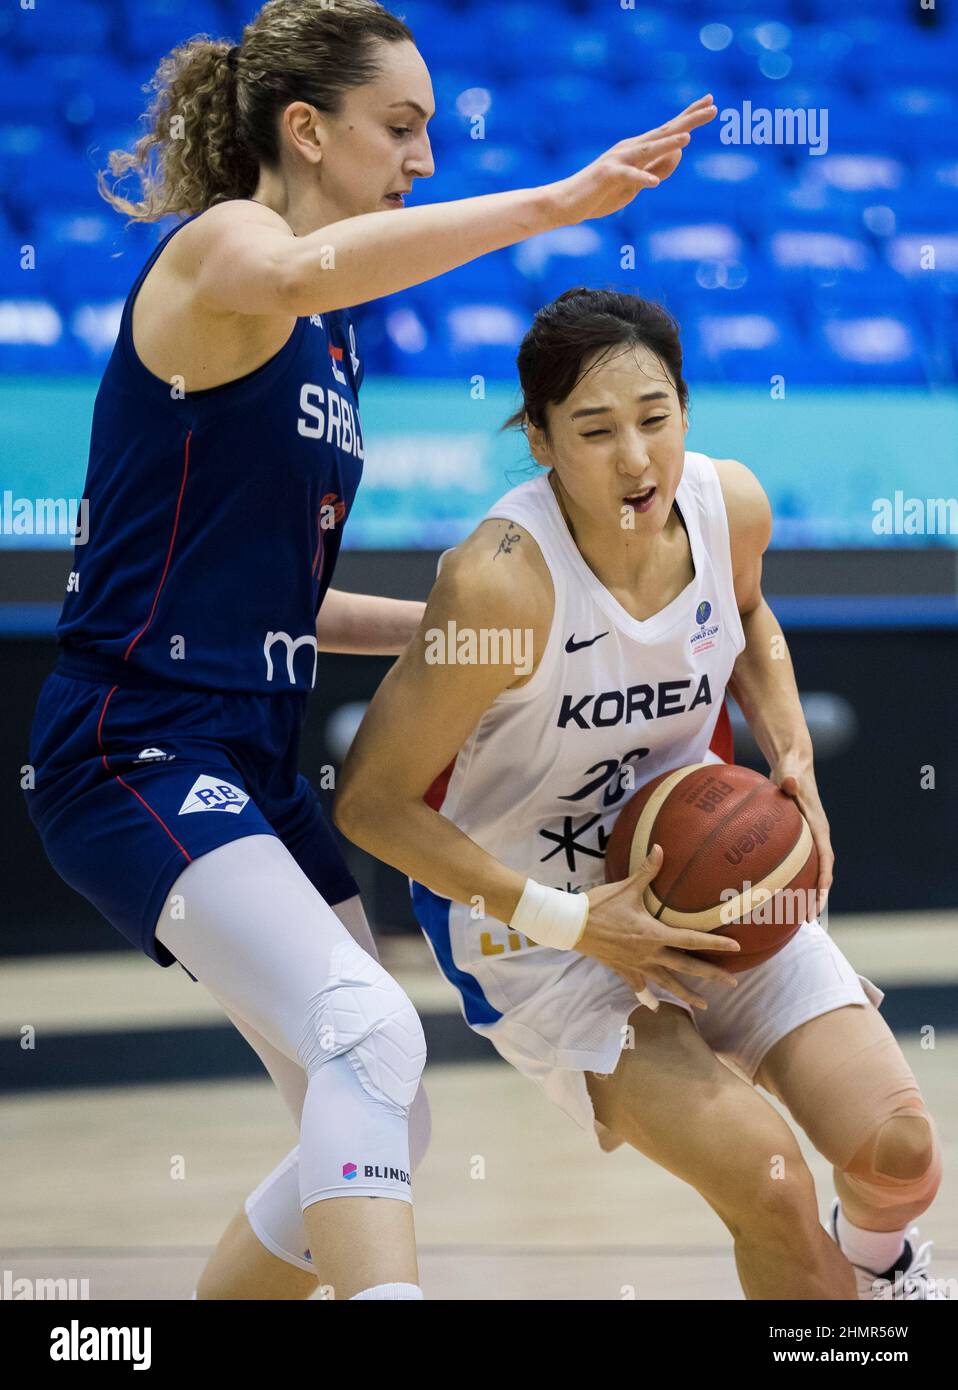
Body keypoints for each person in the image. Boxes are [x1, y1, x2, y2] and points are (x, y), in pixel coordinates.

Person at [23, 0, 717, 1301]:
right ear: (306, 127)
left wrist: (500, 633)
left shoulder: (331, 343)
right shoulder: (230, 250)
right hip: (134, 746)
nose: (420, 157)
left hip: (250, 749)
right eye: (399, 127)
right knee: (365, 1029)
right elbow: (299, 268)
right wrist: (559, 200)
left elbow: (297, 599)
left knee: (383, 1108)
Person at [331, 287, 944, 1300]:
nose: (636, 460)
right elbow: (370, 802)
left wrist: (790, 755)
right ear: (537, 439)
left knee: (898, 1151)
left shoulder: (727, 506)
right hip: (532, 929)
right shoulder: (499, 584)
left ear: (686, 413)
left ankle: (884, 1267)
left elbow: (750, 617)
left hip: (704, 890)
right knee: (771, 1178)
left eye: (655, 420)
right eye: (595, 430)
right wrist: (568, 919)